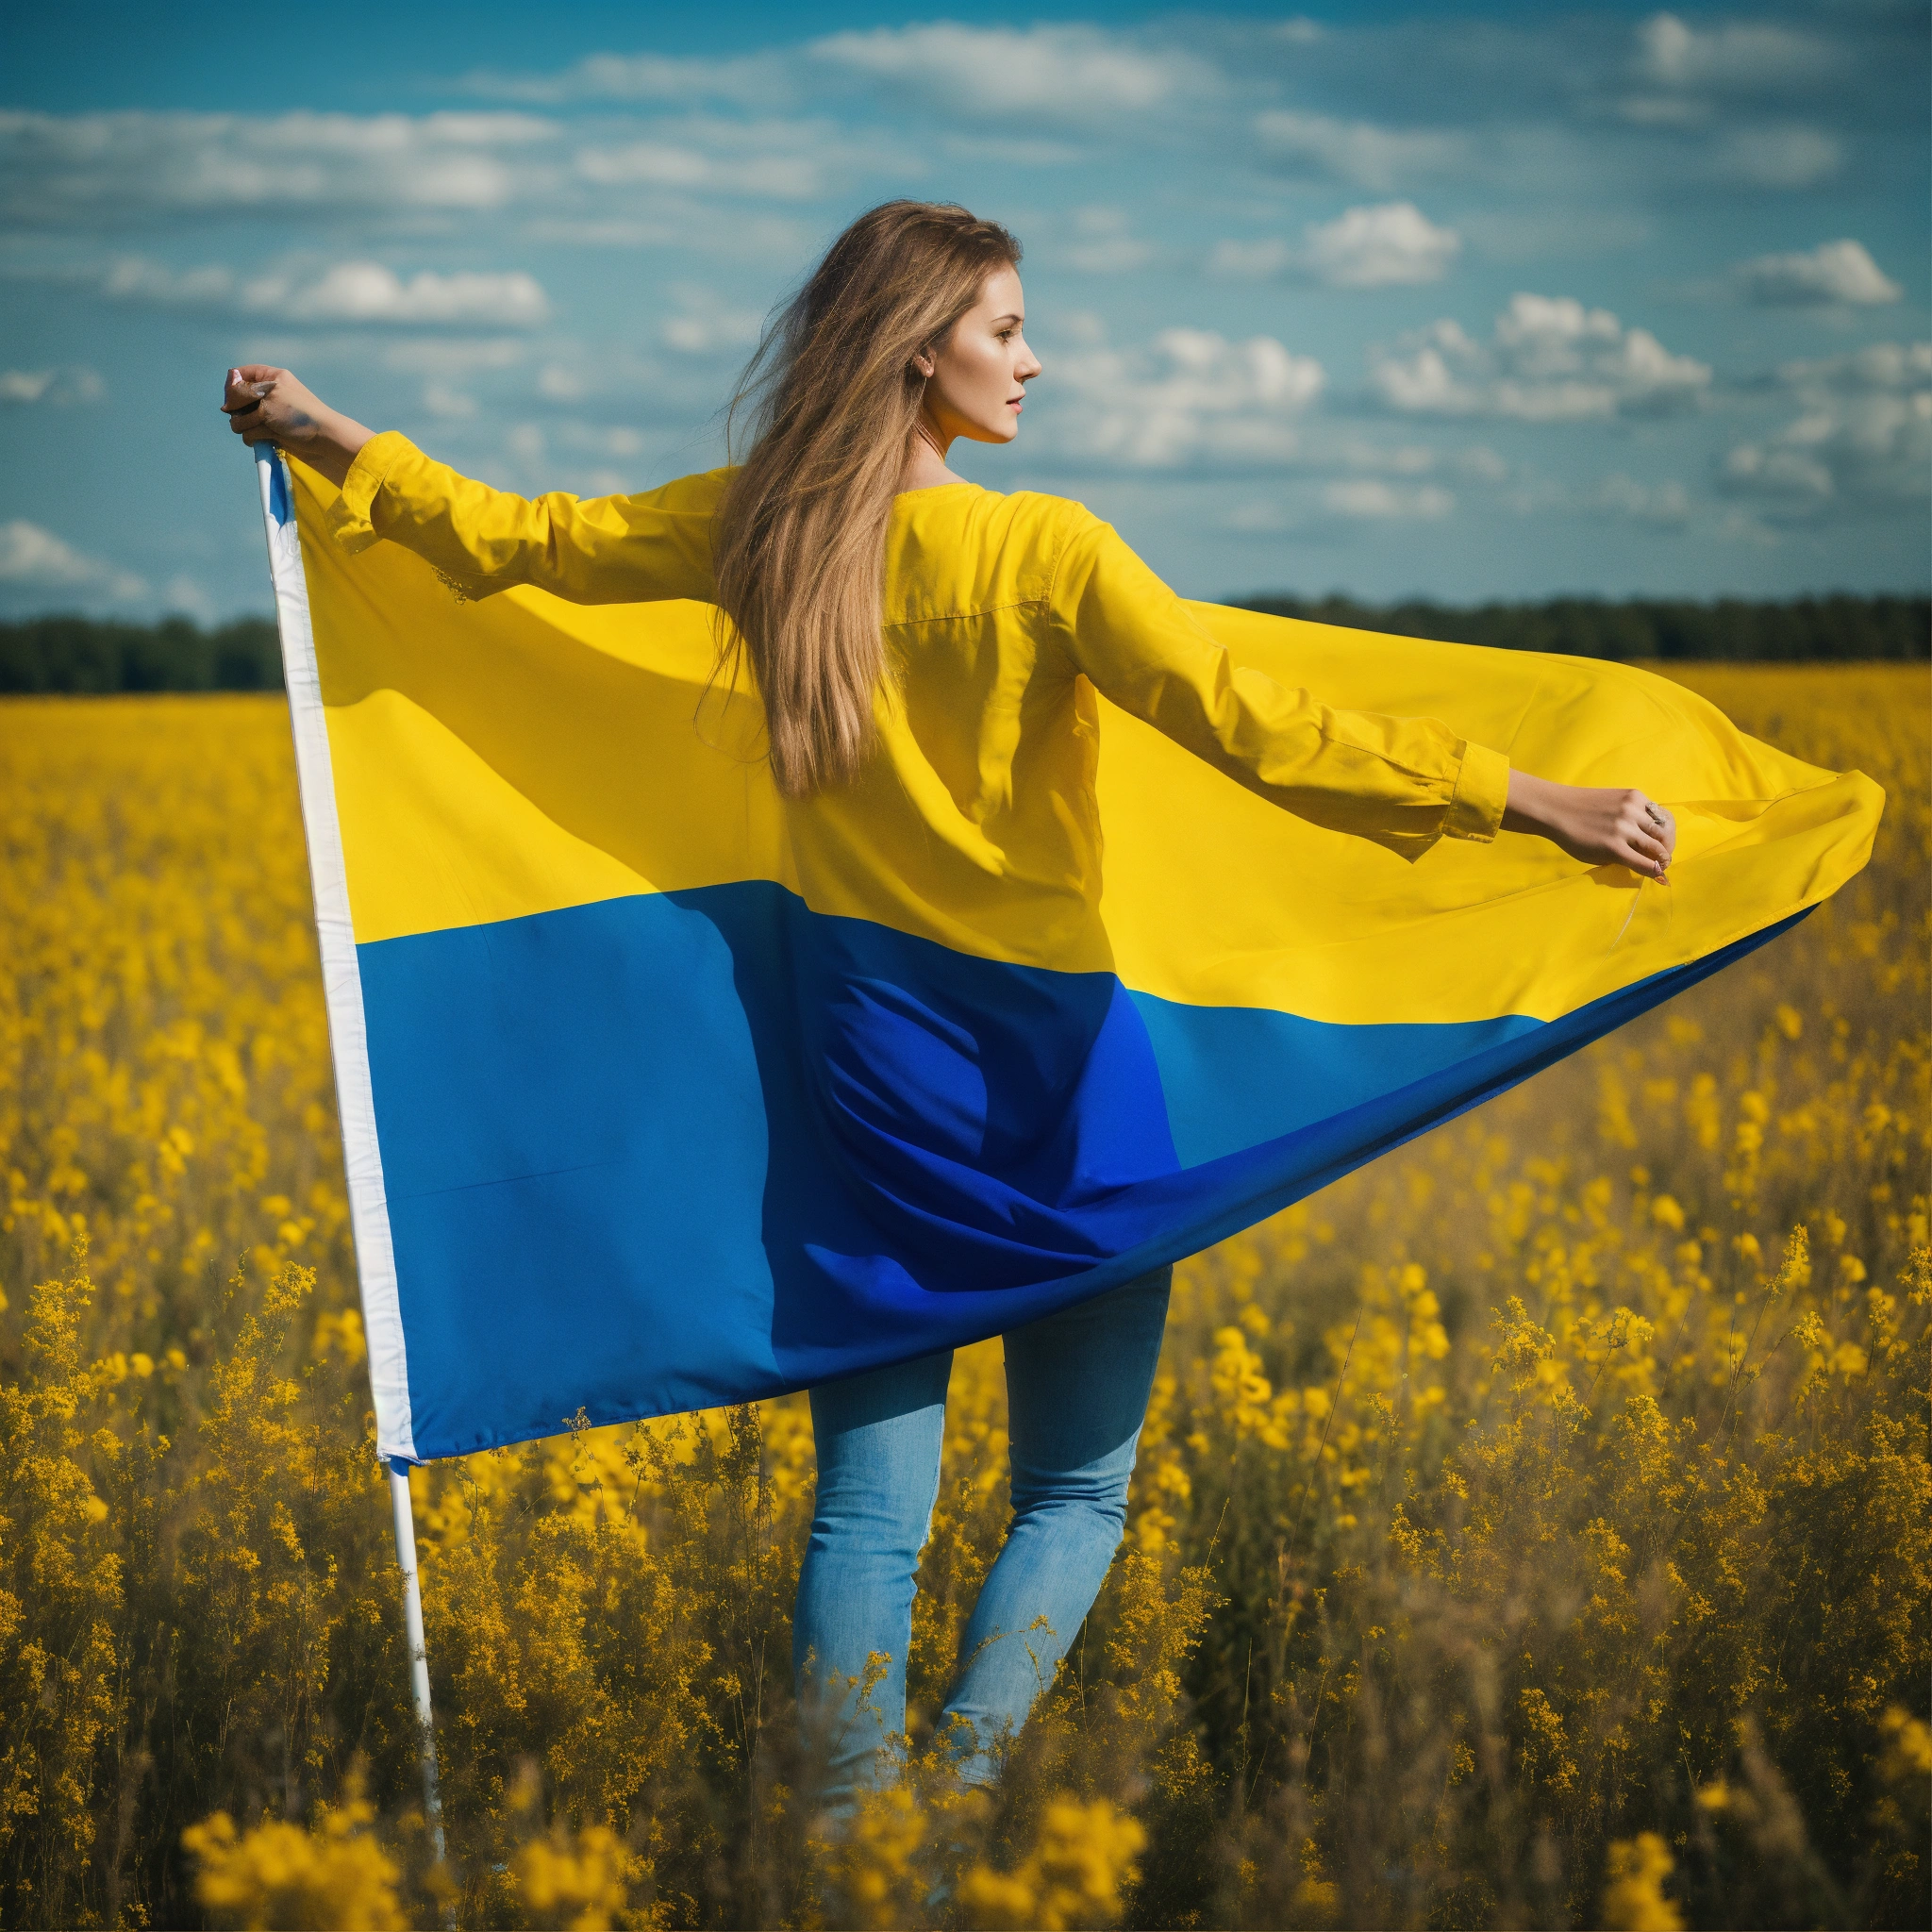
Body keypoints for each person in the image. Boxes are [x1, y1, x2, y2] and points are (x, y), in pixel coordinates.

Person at [221, 199, 1675, 1810]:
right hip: (1063, 1072)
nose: (1032, 362)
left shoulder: (762, 532)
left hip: (872, 1062)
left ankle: (849, 1854)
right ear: (919, 352)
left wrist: (326, 432)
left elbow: (522, 539)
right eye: (1005, 330)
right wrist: (1527, 799)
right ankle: (959, 1805)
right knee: (1077, 1491)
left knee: (867, 1510)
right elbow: (1258, 725)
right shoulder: (1048, 553)